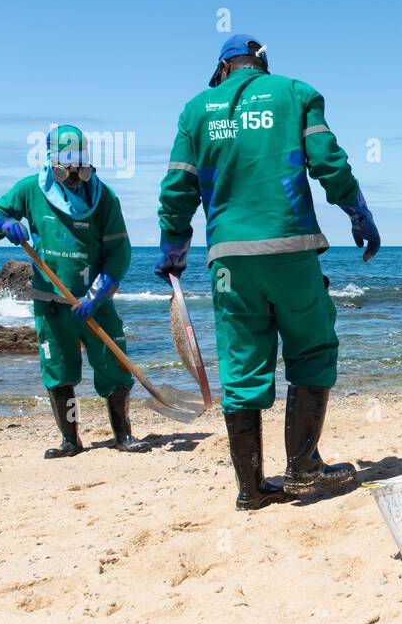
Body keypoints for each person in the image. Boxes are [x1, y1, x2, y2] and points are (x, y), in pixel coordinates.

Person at [156, 35, 380, 512]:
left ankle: (252, 489)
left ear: (221, 69)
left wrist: (173, 246)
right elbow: (326, 162)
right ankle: (302, 470)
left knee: (241, 367)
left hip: (229, 261)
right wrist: (358, 213)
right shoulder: (297, 93)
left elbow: (178, 187)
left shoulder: (195, 111)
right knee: (313, 349)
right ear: (262, 64)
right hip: (291, 247)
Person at [0, 125, 146, 458]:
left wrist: (97, 294)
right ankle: (70, 441)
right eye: (65, 165)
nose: (73, 174)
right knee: (58, 371)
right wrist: (4, 225)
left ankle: (123, 435)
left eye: (79, 165)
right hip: (51, 305)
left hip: (94, 303)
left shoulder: (105, 198)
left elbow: (119, 253)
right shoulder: (30, 190)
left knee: (114, 366)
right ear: (51, 160)